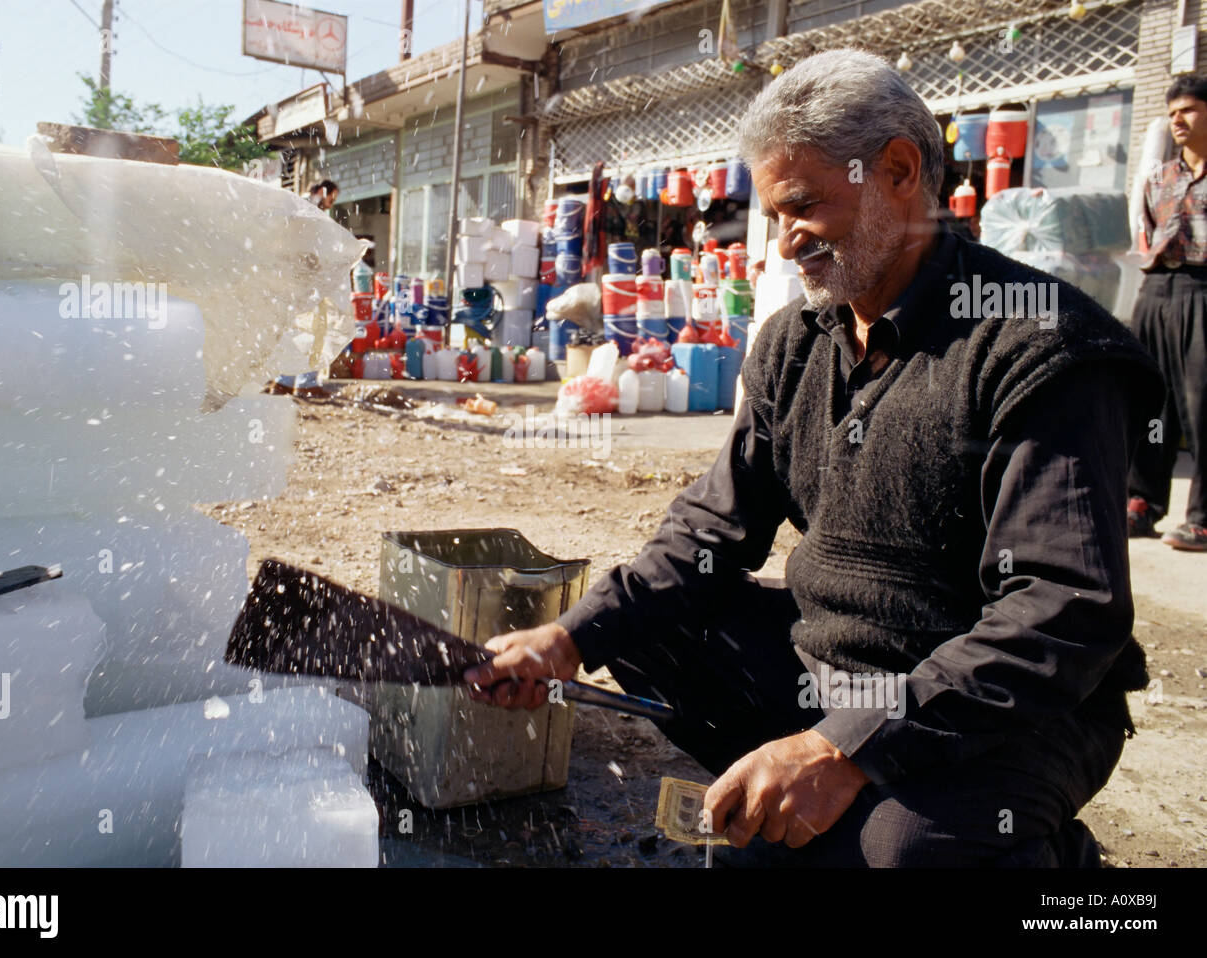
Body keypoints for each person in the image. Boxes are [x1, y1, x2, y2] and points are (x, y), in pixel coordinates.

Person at [464, 49, 1165, 867]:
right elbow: (709, 528)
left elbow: (1063, 611)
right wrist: (568, 640)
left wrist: (845, 749)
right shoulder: (796, 343)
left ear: (900, 170)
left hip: (1010, 702)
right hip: (832, 663)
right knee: (642, 628)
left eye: (804, 207)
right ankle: (831, 794)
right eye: (774, 215)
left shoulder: (1039, 347)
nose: (788, 241)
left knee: (901, 850)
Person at [1126, 76, 1207, 551]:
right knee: (1150, 399)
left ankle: (1201, 516)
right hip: (1157, 288)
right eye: (1173, 111)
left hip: (1203, 287)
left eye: (1189, 110)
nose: (1177, 119)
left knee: (1202, 401)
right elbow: (1147, 229)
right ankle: (1144, 502)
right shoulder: (1161, 176)